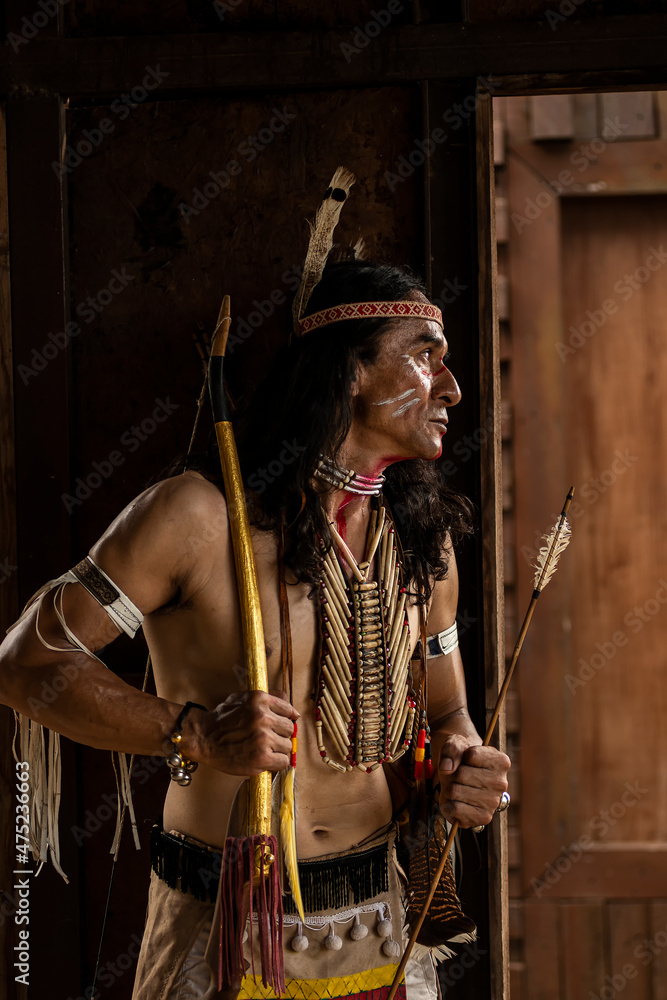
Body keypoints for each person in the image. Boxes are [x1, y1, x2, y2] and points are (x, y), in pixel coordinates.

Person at [0, 181, 510, 1000]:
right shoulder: (198, 517)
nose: (450, 388)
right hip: (227, 922)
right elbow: (25, 663)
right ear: (350, 370)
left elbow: (446, 710)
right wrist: (195, 733)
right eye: (423, 354)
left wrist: (463, 761)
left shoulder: (421, 541)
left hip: (381, 918)